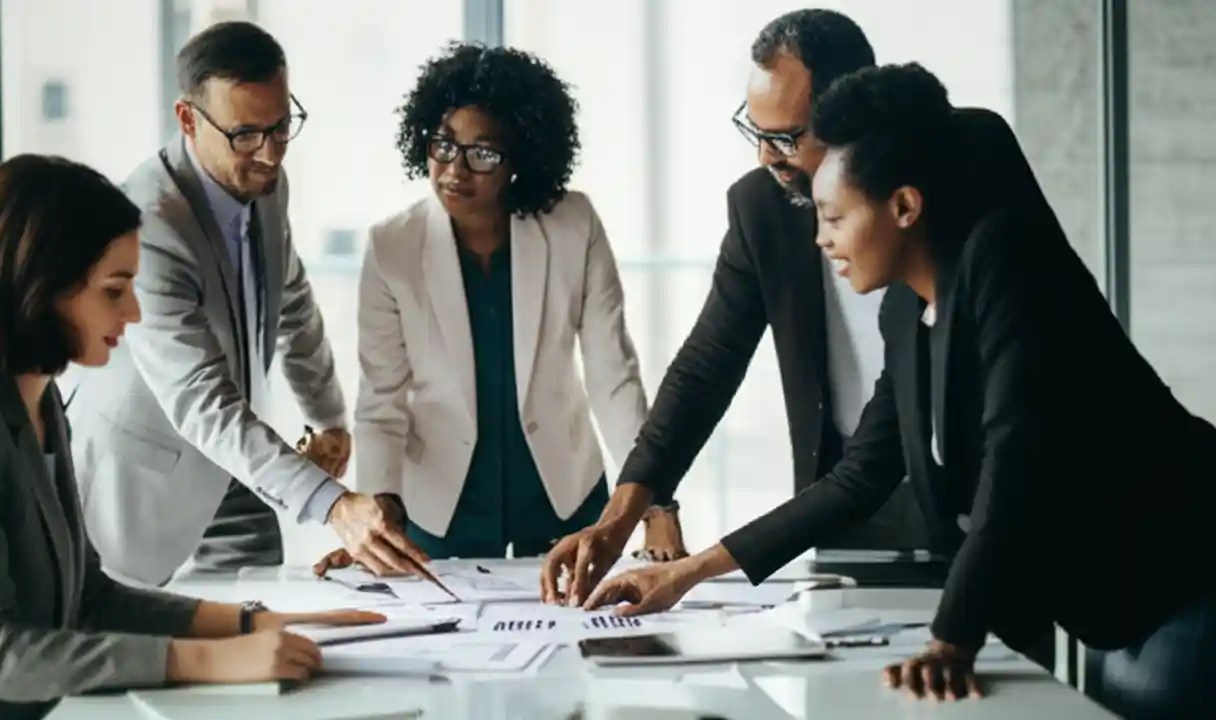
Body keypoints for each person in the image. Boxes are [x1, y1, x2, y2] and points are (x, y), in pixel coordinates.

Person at [584, 63, 1216, 717]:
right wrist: (684, 575)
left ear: (904, 206)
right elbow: (861, 474)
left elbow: (1016, 464)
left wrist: (951, 639)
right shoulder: (907, 313)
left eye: (833, 216)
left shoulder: (1008, 259)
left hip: (1183, 572)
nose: (820, 237)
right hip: (1112, 596)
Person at [0, 155, 384, 720]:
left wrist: (254, 622)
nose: (135, 311)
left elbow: (89, 598)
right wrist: (211, 661)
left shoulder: (40, 395)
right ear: (42, 284)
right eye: (115, 289)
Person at [542, 8, 920, 605]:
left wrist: (690, 573)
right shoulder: (763, 207)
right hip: (840, 511)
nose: (766, 158)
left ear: (855, 121)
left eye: (787, 137)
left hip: (965, 504)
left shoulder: (924, 207)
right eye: (756, 131)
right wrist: (622, 517)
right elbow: (706, 367)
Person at [64, 21, 421, 585]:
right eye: (247, 135)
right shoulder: (148, 223)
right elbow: (198, 398)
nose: (271, 155)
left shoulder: (265, 182)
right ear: (188, 119)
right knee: (138, 641)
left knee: (256, 623)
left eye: (282, 128)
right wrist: (334, 505)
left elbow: (292, 301)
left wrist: (327, 417)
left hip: (231, 469)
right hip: (143, 477)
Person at [314, 43, 651, 572]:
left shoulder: (574, 224)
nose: (456, 170)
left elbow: (613, 376)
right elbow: (381, 400)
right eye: (443, 145)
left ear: (521, 157)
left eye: (483, 154)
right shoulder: (391, 247)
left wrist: (655, 501)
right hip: (441, 506)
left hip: (562, 492)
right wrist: (378, 511)